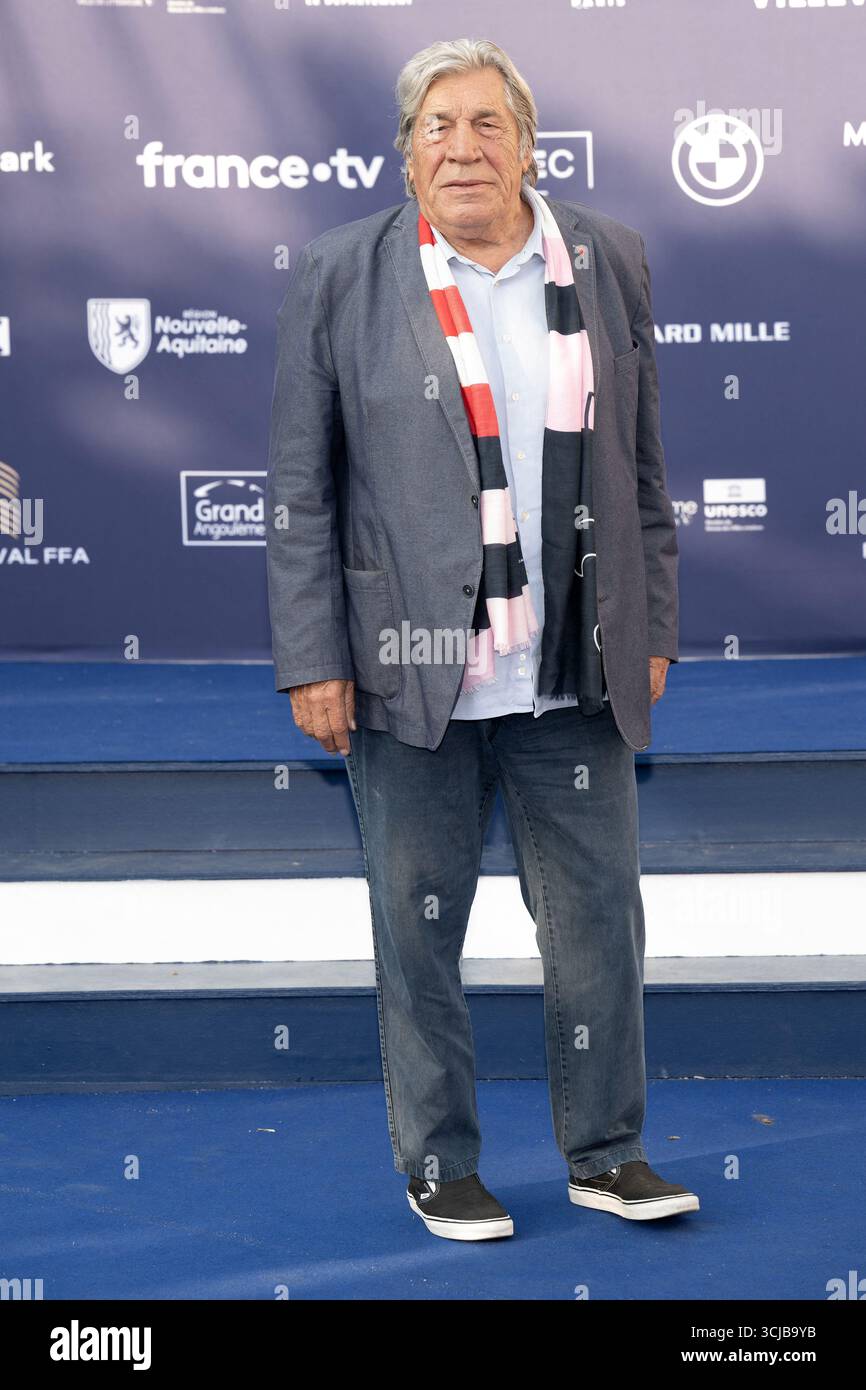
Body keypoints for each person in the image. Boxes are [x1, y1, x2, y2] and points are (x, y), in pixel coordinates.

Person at [266, 37, 699, 1241]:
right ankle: (439, 1161)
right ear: (406, 155)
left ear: (526, 142)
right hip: (408, 669)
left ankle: (606, 1151)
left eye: (484, 124)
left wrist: (649, 625)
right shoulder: (341, 272)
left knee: (599, 923)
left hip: (573, 665)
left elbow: (644, 472)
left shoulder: (606, 260)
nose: (462, 147)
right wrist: (313, 656)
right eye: (436, 127)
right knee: (417, 933)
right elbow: (300, 487)